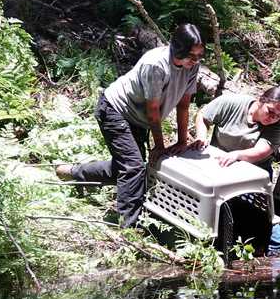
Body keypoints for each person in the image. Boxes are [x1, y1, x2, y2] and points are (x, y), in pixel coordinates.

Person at [56, 24, 203, 227]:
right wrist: (159, 146)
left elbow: (184, 105)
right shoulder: (156, 65)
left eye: (199, 56)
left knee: (127, 167)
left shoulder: (192, 67)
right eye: (191, 56)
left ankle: (73, 173)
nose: (195, 61)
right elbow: (153, 112)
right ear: (178, 49)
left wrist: (182, 141)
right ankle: (128, 228)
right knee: (133, 167)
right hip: (115, 110)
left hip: (138, 117)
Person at [190, 85, 280, 254]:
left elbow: (260, 152)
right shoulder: (233, 103)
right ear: (260, 101)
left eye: (279, 115)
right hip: (219, 170)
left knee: (277, 241)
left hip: (253, 180)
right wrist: (201, 136)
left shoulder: (277, 127)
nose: (273, 118)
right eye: (270, 111)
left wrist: (237, 155)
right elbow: (203, 116)